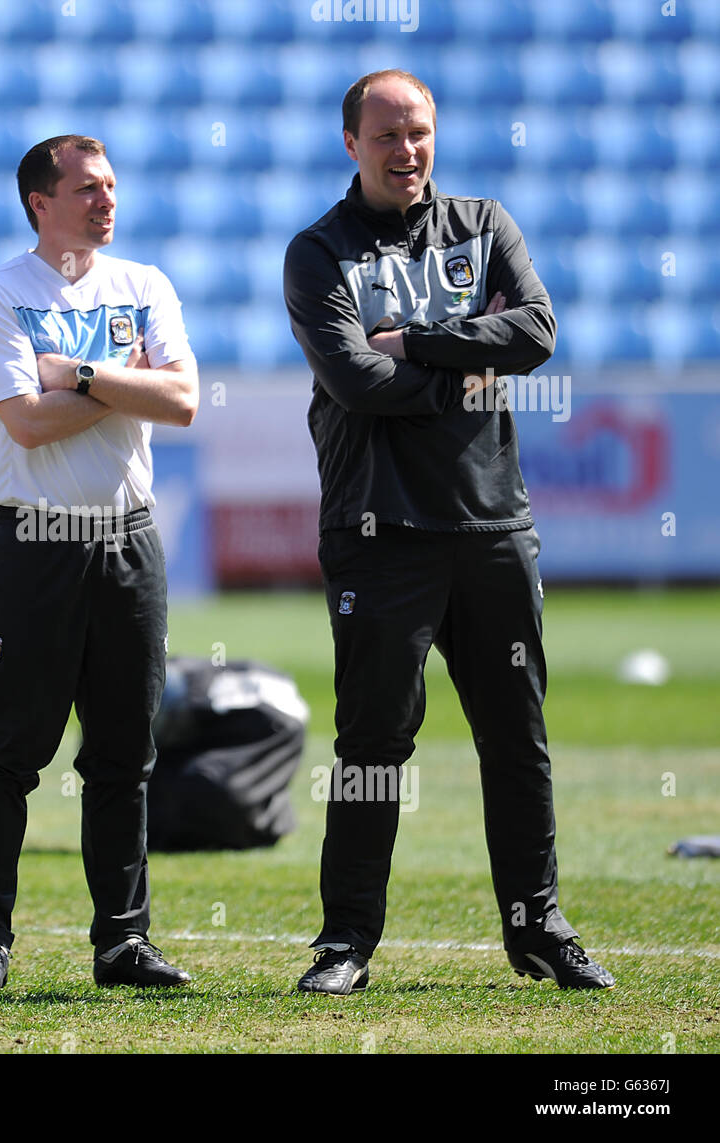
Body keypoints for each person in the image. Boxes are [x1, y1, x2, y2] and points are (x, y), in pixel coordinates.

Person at [282, 70, 614, 994]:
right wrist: (470, 360)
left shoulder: (483, 223)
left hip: (494, 525)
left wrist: (418, 341)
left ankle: (539, 927)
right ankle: (346, 939)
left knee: (518, 737)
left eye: (419, 131)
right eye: (386, 134)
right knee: (373, 747)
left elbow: (538, 330)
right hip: (379, 532)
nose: (407, 150)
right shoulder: (318, 252)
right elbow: (356, 384)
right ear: (352, 143)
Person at [0, 135, 199, 993]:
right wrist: (120, 385)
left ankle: (122, 943)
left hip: (130, 539)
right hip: (35, 543)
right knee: (11, 753)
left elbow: (183, 400)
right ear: (39, 203)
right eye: (87, 188)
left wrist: (81, 374)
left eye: (111, 187)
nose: (106, 201)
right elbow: (26, 422)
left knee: (125, 754)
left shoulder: (145, 284)